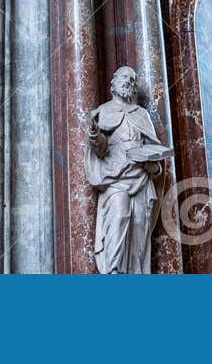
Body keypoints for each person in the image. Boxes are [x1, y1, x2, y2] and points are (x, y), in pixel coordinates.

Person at [87, 67, 168, 273]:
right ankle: (114, 271)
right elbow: (101, 149)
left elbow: (155, 154)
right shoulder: (103, 112)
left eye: (133, 79)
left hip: (140, 180)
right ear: (112, 83)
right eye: (124, 77)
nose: (129, 82)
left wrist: (152, 165)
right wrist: (94, 131)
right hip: (116, 180)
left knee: (139, 230)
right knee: (120, 215)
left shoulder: (141, 115)